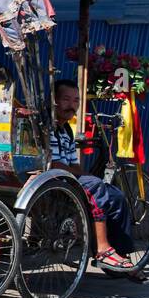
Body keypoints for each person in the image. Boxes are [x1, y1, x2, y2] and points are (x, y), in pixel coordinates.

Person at [51, 79, 137, 273]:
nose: (71, 105)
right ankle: (102, 249)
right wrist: (84, 176)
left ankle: (121, 257)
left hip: (68, 177)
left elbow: (73, 164)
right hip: (54, 179)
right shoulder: (48, 127)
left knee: (116, 196)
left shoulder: (66, 130)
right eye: (66, 99)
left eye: (75, 101)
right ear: (54, 100)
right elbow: (53, 164)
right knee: (96, 185)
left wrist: (82, 174)